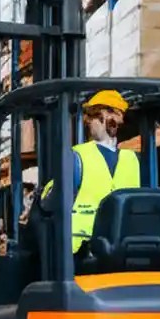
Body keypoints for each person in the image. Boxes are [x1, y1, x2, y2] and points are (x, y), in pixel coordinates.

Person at [37, 90, 141, 252]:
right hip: (122, 250)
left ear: (104, 119)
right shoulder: (133, 160)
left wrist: (40, 196)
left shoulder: (77, 155)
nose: (87, 123)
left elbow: (50, 202)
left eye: (91, 118)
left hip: (79, 254)